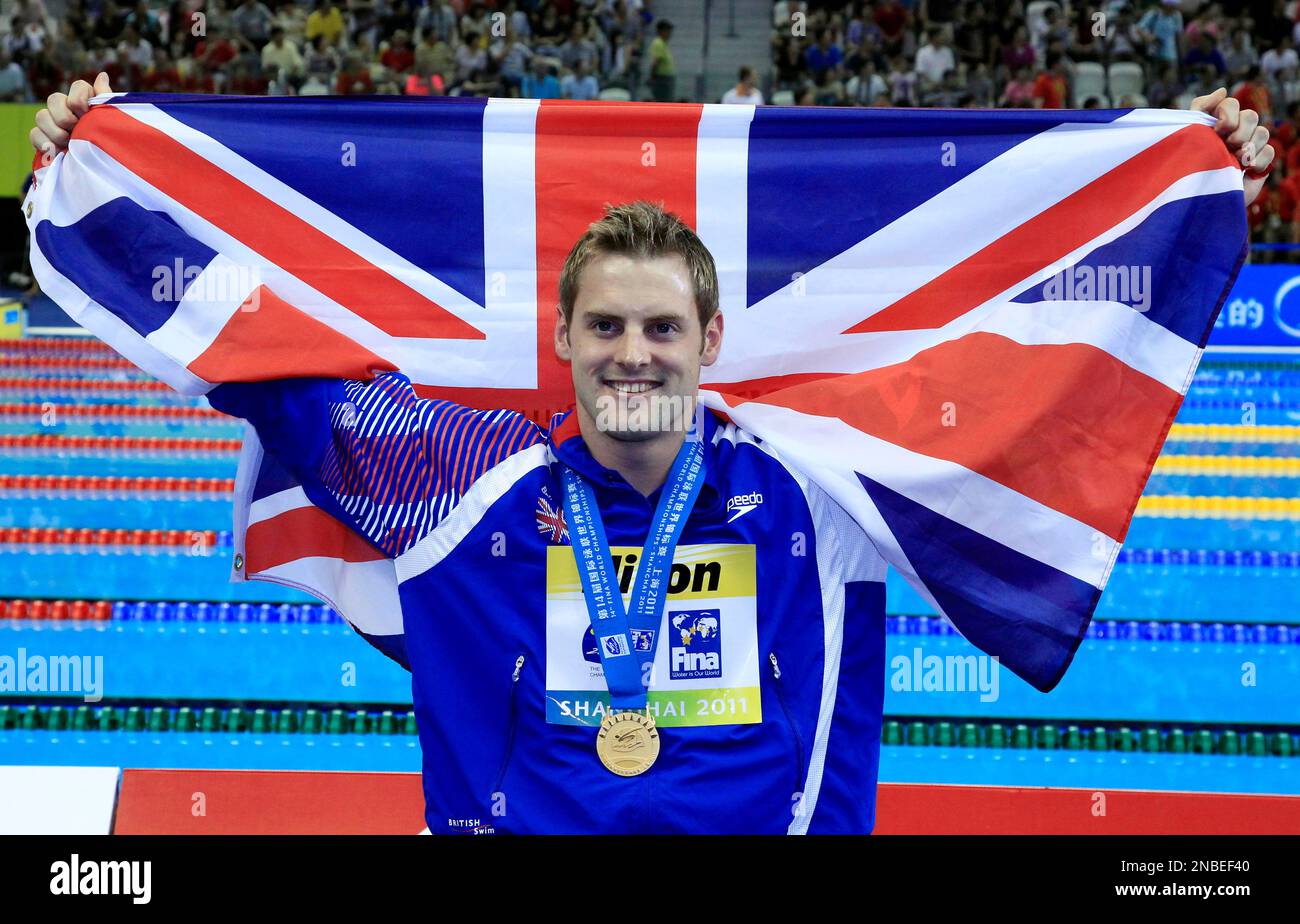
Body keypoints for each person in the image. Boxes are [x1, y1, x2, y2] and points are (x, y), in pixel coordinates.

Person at [29, 76, 1272, 834]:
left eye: (662, 327)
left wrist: (1188, 178)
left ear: (711, 339)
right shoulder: (463, 478)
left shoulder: (821, 480)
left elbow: (1037, 360)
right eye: (608, 326)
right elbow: (274, 356)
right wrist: (101, 179)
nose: (635, 354)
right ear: (561, 337)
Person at [647, 19, 675, 102]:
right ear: (661, 31)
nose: (670, 33)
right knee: (664, 102)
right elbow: (655, 62)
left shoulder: (662, 43)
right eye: (668, 30)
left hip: (664, 78)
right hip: (662, 79)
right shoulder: (658, 43)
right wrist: (652, 78)